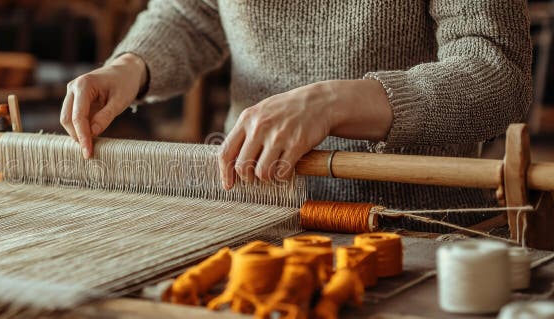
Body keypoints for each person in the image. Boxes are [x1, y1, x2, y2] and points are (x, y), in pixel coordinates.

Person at [59, 0, 532, 216]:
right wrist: (130, 66)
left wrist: (334, 103)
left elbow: (498, 72)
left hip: (412, 224)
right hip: (250, 206)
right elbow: (190, 12)